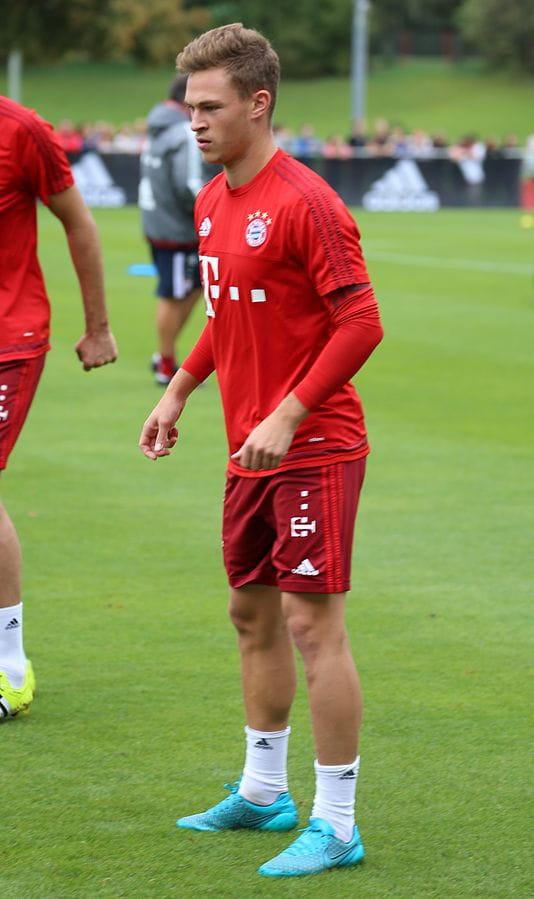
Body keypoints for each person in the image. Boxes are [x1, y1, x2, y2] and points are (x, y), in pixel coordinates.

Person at [139, 23, 383, 879]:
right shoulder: (213, 200)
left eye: (210, 107)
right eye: (190, 106)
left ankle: (338, 823)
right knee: (251, 613)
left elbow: (362, 322)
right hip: (250, 448)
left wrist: (288, 412)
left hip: (313, 444)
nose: (195, 122)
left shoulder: (308, 202)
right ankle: (263, 790)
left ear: (258, 102)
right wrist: (178, 389)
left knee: (315, 626)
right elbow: (225, 313)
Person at [0, 95, 118, 720]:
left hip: (7, 337)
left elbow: (77, 221)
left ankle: (8, 667)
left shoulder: (20, 131)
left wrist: (97, 326)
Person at [139, 75, 204, 386]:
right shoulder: (181, 131)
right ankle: (165, 363)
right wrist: (215, 210)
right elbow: (188, 183)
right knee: (175, 294)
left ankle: (164, 358)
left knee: (190, 288)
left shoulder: (157, 126)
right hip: (177, 228)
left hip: (158, 222)